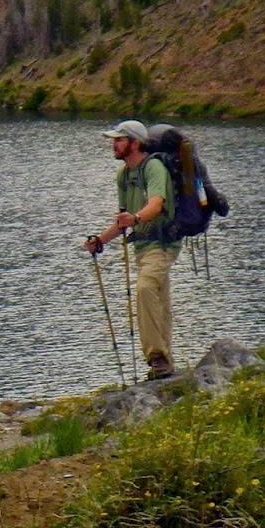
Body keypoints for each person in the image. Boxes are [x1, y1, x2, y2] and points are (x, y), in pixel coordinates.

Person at [85, 119, 178, 379]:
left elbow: (156, 205)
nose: (113, 144)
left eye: (119, 140)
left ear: (135, 144)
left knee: (145, 288)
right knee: (159, 299)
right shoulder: (124, 175)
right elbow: (123, 220)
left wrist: (136, 219)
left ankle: (157, 359)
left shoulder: (154, 168)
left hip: (162, 243)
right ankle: (166, 364)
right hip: (142, 246)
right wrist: (100, 241)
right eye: (114, 140)